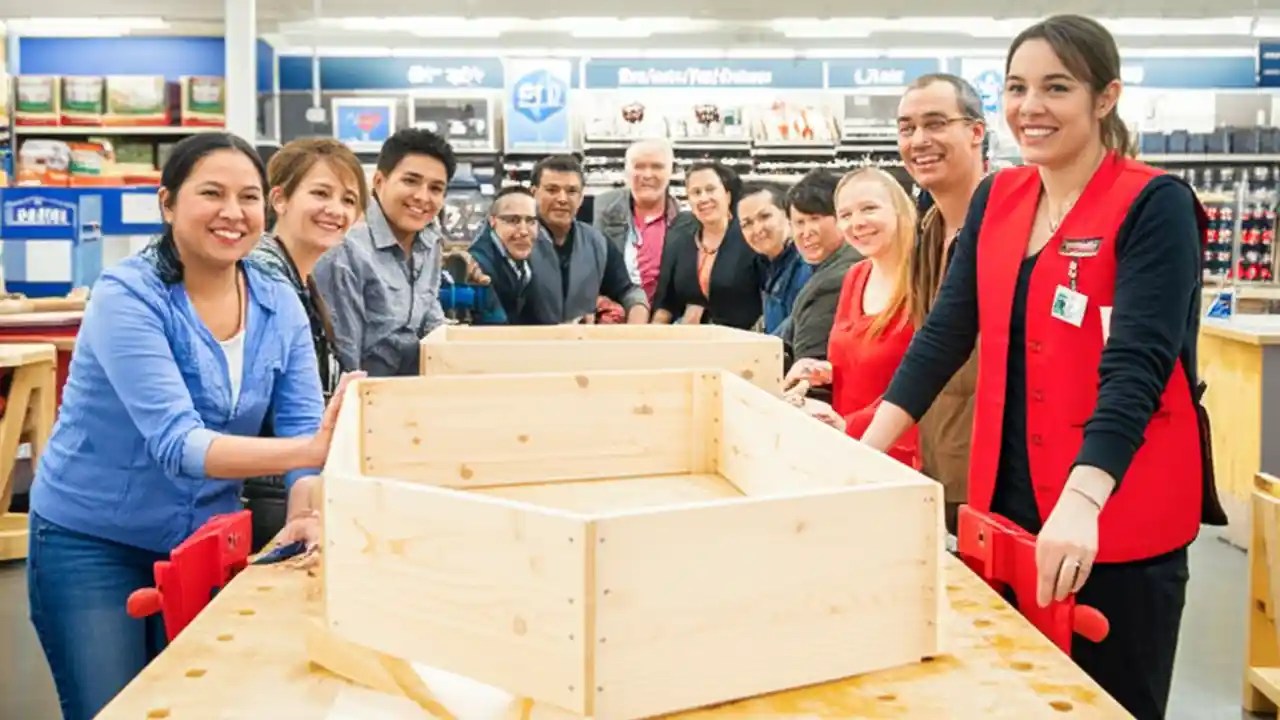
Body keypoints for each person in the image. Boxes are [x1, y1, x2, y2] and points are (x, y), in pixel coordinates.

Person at [859, 15, 1224, 719]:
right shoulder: (1001, 198)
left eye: (1056, 87)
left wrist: (1084, 503)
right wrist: (863, 453)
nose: (1031, 107)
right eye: (1017, 87)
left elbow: (1138, 368)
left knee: (1113, 699)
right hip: (1010, 506)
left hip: (1113, 508)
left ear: (1105, 97)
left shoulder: (1154, 205)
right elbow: (945, 335)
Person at [26, 132, 360, 720]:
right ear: (167, 203)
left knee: (197, 702)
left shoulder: (278, 299)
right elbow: (178, 444)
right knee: (111, 707)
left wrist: (307, 504)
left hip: (202, 539)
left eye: (248, 197)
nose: (233, 213)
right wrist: (311, 448)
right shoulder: (127, 295)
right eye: (212, 193)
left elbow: (304, 416)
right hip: (92, 542)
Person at [242, 137, 368, 550]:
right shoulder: (262, 278)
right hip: (262, 489)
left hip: (292, 477)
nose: (337, 210)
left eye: (349, 199)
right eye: (320, 193)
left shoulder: (299, 279)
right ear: (278, 198)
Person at [896, 73, 988, 534]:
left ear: (976, 132)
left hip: (1000, 479)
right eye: (907, 128)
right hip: (942, 470)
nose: (919, 141)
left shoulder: (1013, 225)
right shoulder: (928, 230)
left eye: (935, 123)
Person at [785, 167, 920, 469]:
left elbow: (925, 381)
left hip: (904, 459)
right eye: (845, 214)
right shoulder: (856, 276)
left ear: (899, 209)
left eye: (869, 208)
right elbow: (862, 360)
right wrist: (824, 372)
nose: (857, 223)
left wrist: (850, 426)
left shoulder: (926, 280)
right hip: (849, 450)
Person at [313, 128, 453, 375]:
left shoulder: (430, 238)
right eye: (410, 181)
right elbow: (346, 359)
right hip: (366, 398)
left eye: (436, 188)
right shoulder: (345, 250)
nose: (422, 197)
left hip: (418, 389)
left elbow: (431, 315)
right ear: (379, 181)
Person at [526, 155, 650, 324]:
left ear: (581, 198)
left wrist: (636, 326)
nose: (562, 199)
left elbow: (628, 291)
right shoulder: (519, 241)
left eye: (571, 191)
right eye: (552, 190)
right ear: (533, 194)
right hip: (527, 345)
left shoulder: (598, 243)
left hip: (582, 345)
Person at [652, 161, 764, 329]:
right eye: (696, 192)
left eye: (710, 189)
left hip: (743, 340)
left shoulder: (749, 235)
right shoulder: (679, 236)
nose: (704, 198)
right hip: (690, 342)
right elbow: (665, 303)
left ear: (727, 195)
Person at [780, 169, 860, 390]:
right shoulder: (830, 270)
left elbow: (811, 376)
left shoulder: (832, 282)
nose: (806, 232)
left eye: (815, 219)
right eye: (799, 222)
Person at [593, 138, 694, 304]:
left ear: (671, 171)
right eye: (639, 166)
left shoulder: (687, 222)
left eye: (657, 167)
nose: (647, 175)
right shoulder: (601, 209)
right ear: (626, 171)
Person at [737, 182, 811, 335]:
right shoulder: (765, 264)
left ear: (787, 215)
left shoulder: (806, 264)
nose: (757, 229)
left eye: (765, 217)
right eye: (747, 223)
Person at [468, 185, 538, 324]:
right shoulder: (477, 267)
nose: (524, 231)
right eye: (513, 220)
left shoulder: (531, 261)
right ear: (493, 221)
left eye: (530, 221)